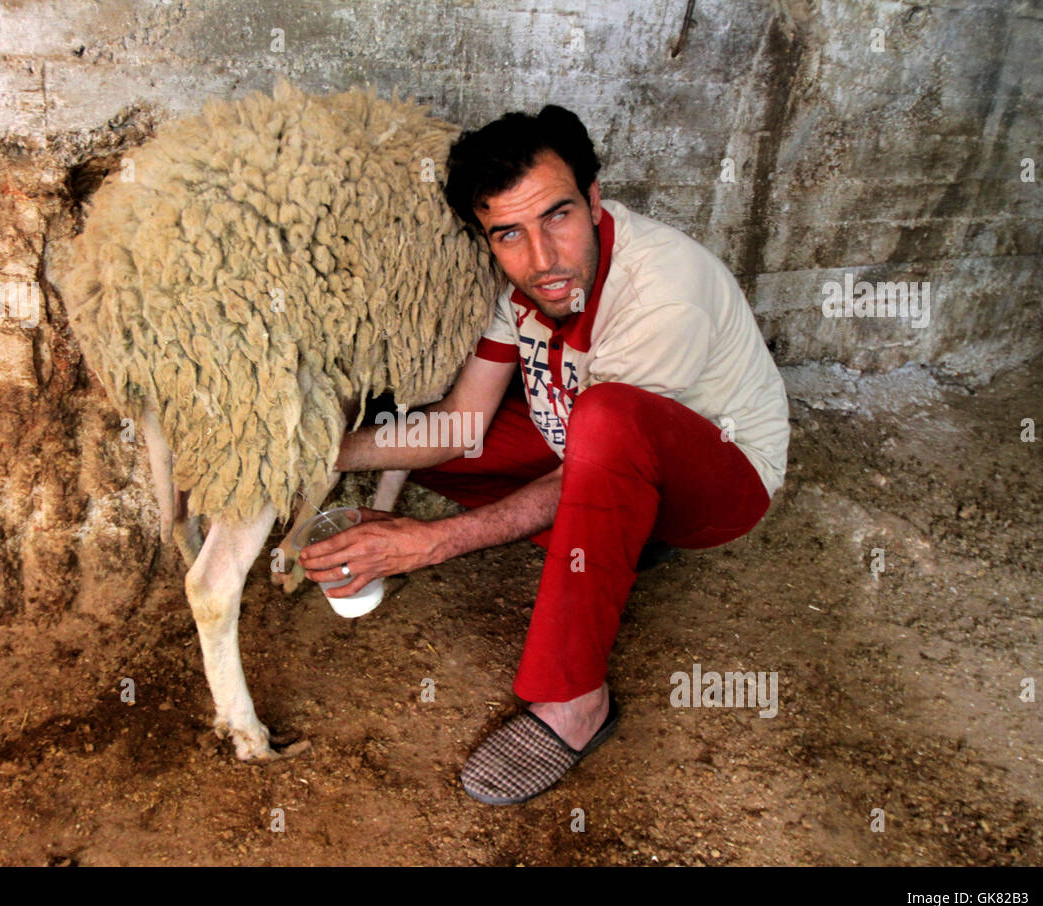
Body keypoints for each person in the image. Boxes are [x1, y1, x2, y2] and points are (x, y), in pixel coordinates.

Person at [297, 104, 790, 804]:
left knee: (608, 421)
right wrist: (316, 453)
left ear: (593, 200)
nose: (542, 258)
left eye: (557, 216)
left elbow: (593, 462)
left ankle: (574, 704)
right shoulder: (525, 287)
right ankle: (621, 542)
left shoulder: (662, 292)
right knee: (426, 438)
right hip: (585, 444)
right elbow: (461, 423)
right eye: (509, 234)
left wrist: (429, 543)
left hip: (719, 480)